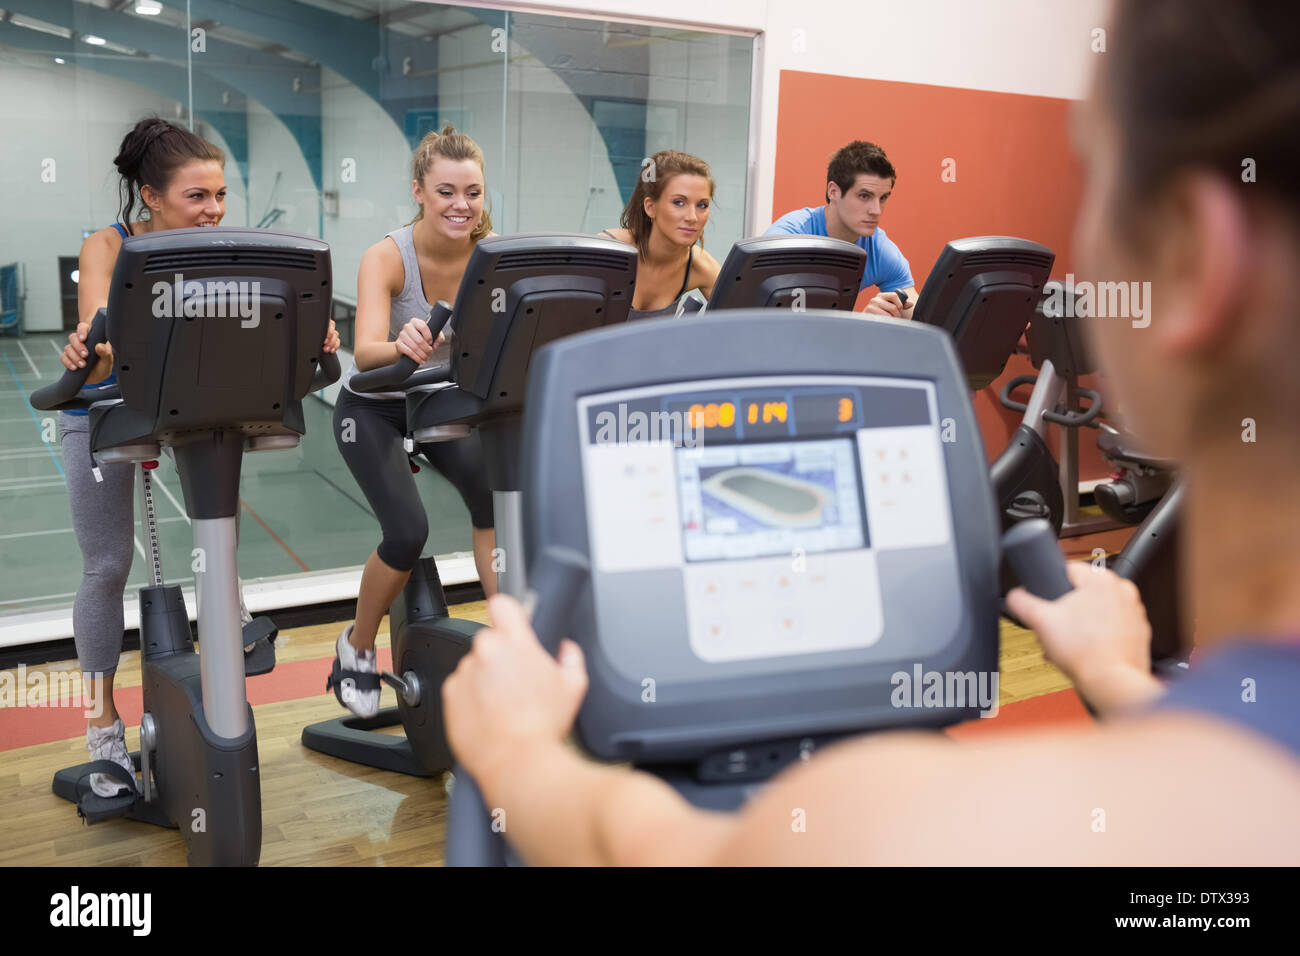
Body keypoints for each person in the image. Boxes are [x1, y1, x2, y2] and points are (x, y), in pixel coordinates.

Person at [440, 0, 1300, 864]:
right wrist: (1119, 678)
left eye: (1098, 175)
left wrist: (510, 745)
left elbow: (648, 843)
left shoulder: (886, 824)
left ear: (1193, 260)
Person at [59, 117, 339, 796]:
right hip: (102, 409)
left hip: (188, 406)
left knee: (218, 531)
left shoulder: (225, 248)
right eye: (197, 197)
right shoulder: (109, 245)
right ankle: (101, 725)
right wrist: (88, 346)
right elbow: (103, 331)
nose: (214, 211)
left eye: (219, 195)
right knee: (107, 564)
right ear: (151, 197)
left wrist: (310, 334)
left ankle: (224, 647)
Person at [328, 126, 496, 718]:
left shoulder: (490, 256)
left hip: (436, 401)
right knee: (406, 531)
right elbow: (366, 350)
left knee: (494, 500)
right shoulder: (387, 255)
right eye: (446, 191)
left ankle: (509, 641)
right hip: (373, 403)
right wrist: (402, 340)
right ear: (419, 191)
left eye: (472, 192)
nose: (461, 205)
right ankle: (356, 645)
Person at [766, 141, 917, 319]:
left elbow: (919, 319)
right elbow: (763, 323)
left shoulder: (878, 248)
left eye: (883, 198)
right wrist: (860, 323)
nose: (876, 210)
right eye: (864, 196)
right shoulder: (787, 238)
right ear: (833, 192)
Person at [597, 150, 721, 320]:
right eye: (679, 202)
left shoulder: (699, 265)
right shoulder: (606, 252)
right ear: (650, 207)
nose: (692, 217)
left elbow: (747, 325)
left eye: (702, 205)